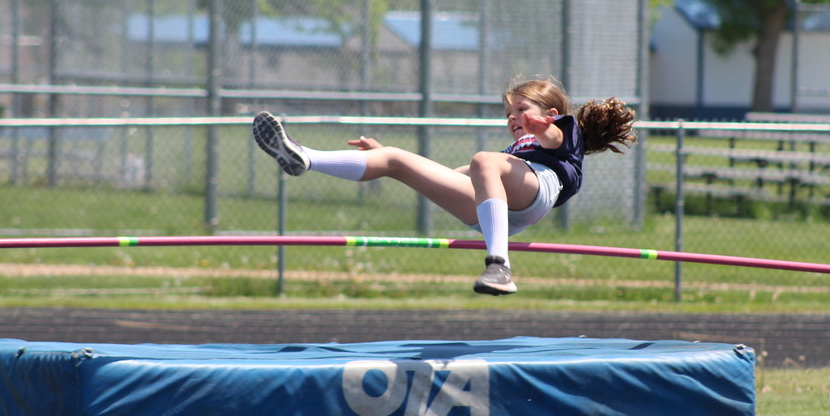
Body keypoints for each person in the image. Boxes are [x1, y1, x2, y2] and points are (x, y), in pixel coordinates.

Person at [252, 76, 636, 295]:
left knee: (485, 160)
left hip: (539, 189)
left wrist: (543, 128)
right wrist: (395, 163)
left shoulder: (563, 134)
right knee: (397, 159)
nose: (514, 118)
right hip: (496, 204)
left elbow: (551, 140)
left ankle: (499, 266)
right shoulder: (511, 151)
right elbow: (463, 175)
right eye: (509, 113)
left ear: (551, 114)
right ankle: (306, 157)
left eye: (522, 111)